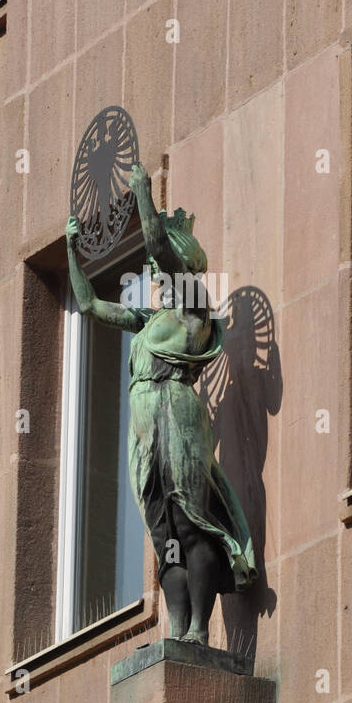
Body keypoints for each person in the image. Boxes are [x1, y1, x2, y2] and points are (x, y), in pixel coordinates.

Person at [66, 162, 256, 644]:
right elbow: (90, 307)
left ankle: (198, 629)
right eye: (154, 271)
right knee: (163, 537)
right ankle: (176, 630)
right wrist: (71, 250)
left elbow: (154, 245)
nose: (155, 273)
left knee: (192, 524)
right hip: (145, 431)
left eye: (162, 267)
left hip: (179, 416)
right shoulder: (150, 319)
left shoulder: (195, 310)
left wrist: (144, 194)